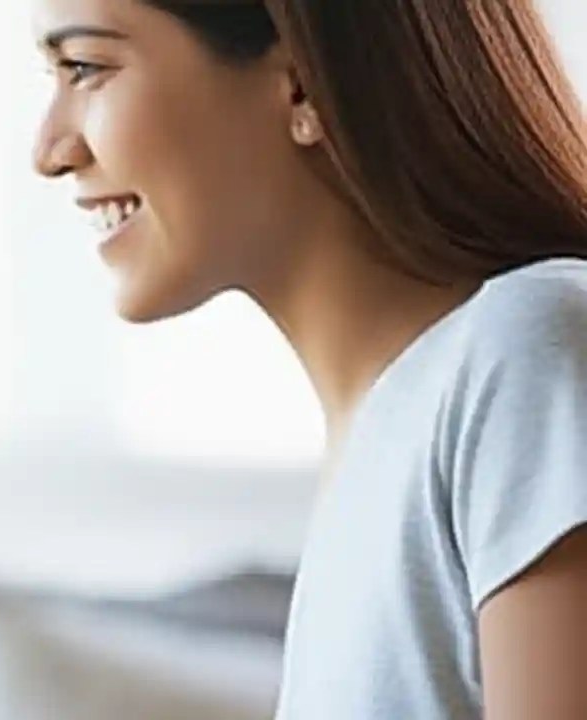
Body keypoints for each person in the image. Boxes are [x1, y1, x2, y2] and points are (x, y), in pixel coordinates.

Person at [30, 0, 587, 717]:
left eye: (86, 67)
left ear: (302, 83)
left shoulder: (522, 355)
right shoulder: (374, 448)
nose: (49, 149)